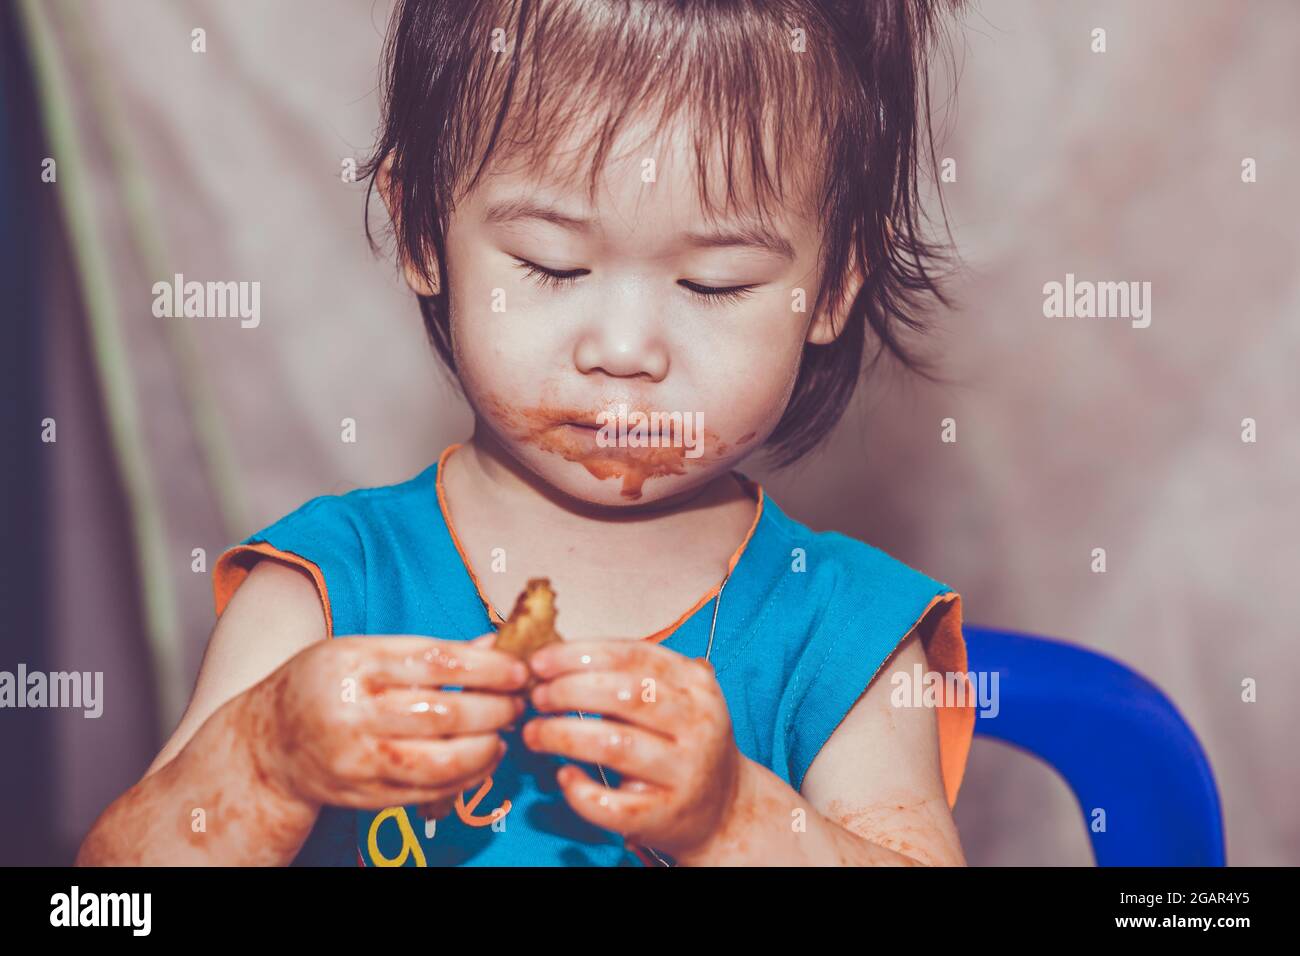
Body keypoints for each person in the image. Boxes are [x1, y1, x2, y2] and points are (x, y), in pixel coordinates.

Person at [79, 0, 973, 866]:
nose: (624, 352)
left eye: (714, 283)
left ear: (835, 284)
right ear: (422, 228)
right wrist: (265, 757)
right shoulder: (325, 595)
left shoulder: (845, 636)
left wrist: (737, 822)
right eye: (553, 265)